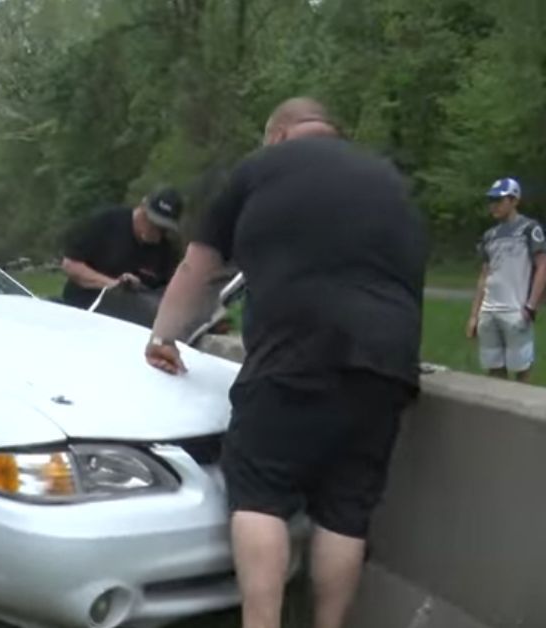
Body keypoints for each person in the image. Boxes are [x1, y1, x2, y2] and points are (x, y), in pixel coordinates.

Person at [144, 97, 428, 628]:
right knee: (346, 507)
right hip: (387, 365)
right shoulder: (390, 181)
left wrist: (163, 337)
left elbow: (197, 270)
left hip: (294, 356)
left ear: (276, 135)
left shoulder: (260, 169)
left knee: (261, 493)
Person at [466, 177, 546, 382]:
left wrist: (531, 306)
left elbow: (542, 266)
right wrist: (474, 315)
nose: (494, 205)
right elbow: (484, 275)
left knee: (522, 370)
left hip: (515, 310)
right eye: (492, 200)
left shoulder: (529, 229)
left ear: (514, 201)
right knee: (494, 371)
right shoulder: (489, 235)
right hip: (489, 311)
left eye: (499, 200)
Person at [58, 187, 184, 310]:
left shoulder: (168, 249)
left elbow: (167, 293)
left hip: (134, 316)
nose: (157, 233)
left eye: (163, 229)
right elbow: (71, 265)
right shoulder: (106, 222)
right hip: (84, 306)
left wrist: (140, 290)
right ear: (142, 208)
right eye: (153, 224)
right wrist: (115, 285)